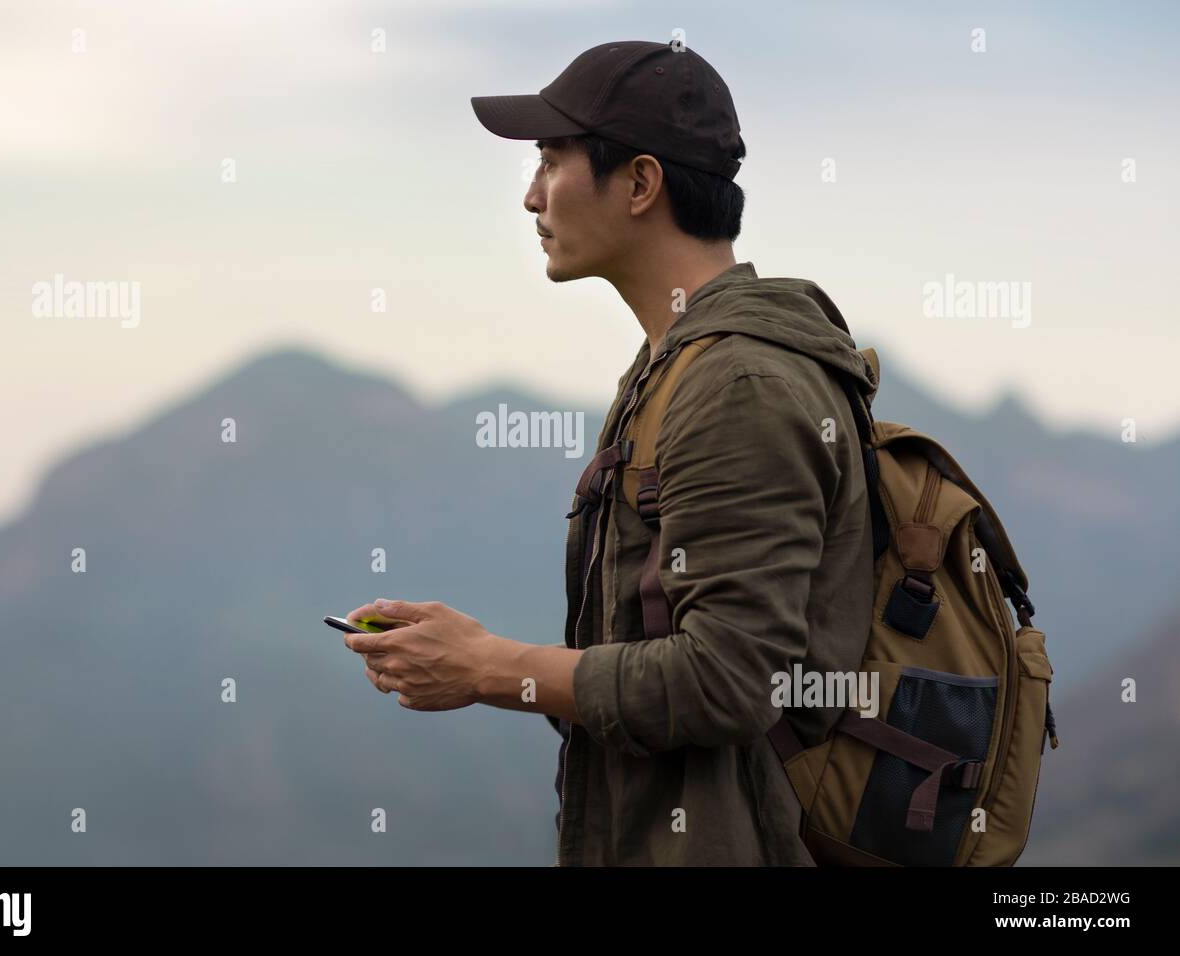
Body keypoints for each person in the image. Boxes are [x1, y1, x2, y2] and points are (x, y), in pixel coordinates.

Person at [341, 39, 876, 865]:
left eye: (552, 159)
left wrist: (488, 668)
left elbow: (725, 681)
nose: (530, 197)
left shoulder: (738, 384)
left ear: (639, 183)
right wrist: (479, 653)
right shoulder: (675, 366)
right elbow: (659, 652)